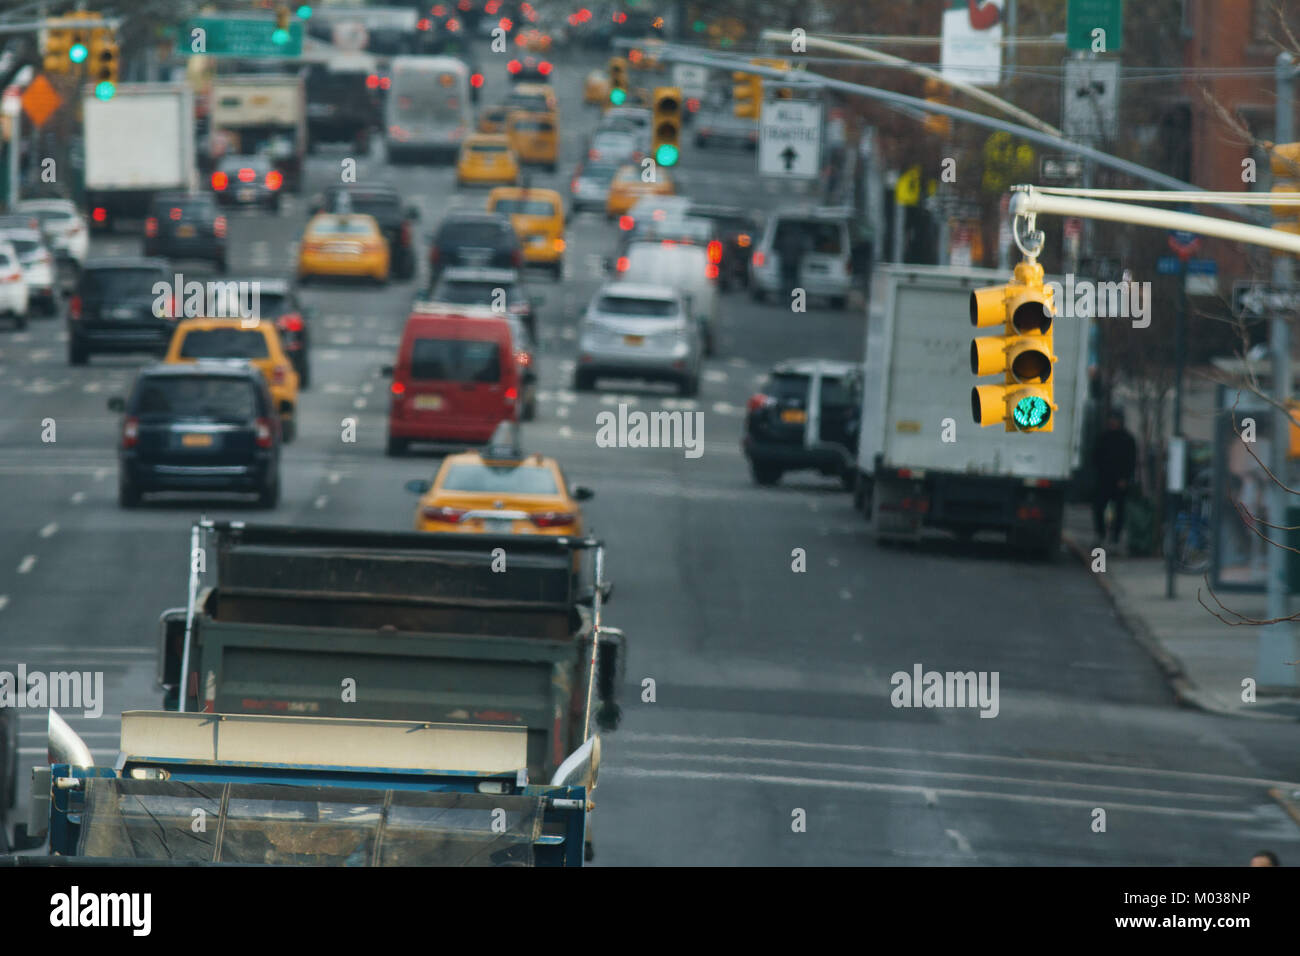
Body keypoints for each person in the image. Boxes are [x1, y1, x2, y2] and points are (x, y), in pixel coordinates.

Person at [1093, 408, 1137, 547]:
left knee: (1119, 510)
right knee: (1099, 507)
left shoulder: (1127, 439)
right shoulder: (1103, 437)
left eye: (1115, 420)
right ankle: (1101, 534)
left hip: (1120, 481)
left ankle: (1115, 537)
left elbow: (1131, 460)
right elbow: (1095, 457)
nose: (1113, 422)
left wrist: (1125, 478)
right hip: (1104, 479)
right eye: (1111, 419)